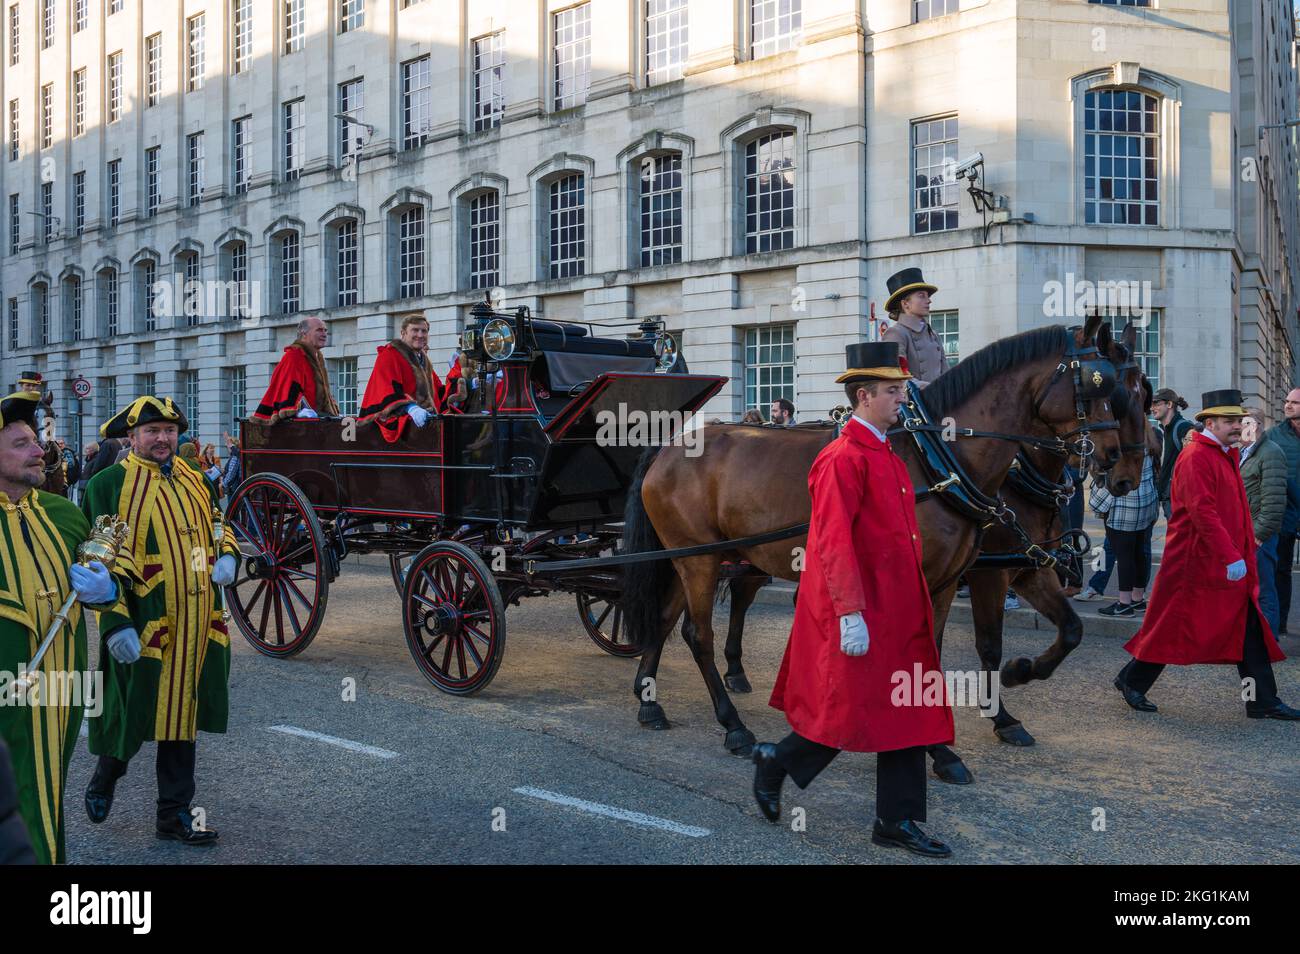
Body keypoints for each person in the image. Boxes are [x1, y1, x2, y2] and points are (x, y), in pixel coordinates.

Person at [752, 340, 955, 858]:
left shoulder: (883, 450)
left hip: (897, 607)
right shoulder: (842, 458)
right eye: (893, 391)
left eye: (902, 390)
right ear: (864, 396)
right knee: (850, 707)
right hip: (864, 608)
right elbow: (832, 542)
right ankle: (778, 761)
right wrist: (850, 613)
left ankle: (896, 820)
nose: (902, 400)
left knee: (908, 708)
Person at [81, 395, 242, 844]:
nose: (163, 438)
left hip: (195, 618)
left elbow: (217, 524)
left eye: (169, 430)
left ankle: (173, 815)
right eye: (152, 431)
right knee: (131, 708)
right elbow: (99, 559)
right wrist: (115, 623)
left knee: (182, 716)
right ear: (131, 437)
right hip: (144, 620)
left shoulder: (196, 479)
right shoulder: (109, 483)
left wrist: (227, 554)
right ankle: (105, 776)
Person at [1114, 389, 1299, 721]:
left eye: (1238, 420)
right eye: (1229, 421)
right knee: (1174, 626)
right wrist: (1232, 556)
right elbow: (1203, 514)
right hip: (1197, 563)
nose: (1237, 426)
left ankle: (1260, 701)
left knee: (1247, 629)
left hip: (1218, 560)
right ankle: (1131, 679)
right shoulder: (1198, 456)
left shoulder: (1221, 452)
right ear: (1210, 422)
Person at [0, 391, 120, 864]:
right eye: (20, 443)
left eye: (36, 441)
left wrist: (106, 592)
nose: (39, 451)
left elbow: (112, 582)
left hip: (59, 693)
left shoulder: (64, 514)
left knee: (45, 789)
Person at [1089, 452, 1159, 617]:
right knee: (1139, 553)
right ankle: (1138, 599)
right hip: (1146, 502)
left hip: (1123, 506)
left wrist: (1096, 504)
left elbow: (1111, 482)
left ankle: (1124, 604)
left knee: (1125, 557)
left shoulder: (1120, 447)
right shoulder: (1150, 439)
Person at [360, 312, 443, 441]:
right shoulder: (389, 354)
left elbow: (439, 392)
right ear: (403, 333)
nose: (420, 335)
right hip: (398, 429)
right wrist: (410, 408)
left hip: (423, 428)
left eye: (424, 331)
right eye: (415, 330)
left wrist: (467, 384)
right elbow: (387, 390)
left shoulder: (423, 360)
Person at [1239, 411, 1287, 636]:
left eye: (1243, 422)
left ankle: (1268, 641)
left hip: (1259, 536)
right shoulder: (1243, 452)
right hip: (1244, 533)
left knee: (1264, 591)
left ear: (1256, 425)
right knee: (1248, 590)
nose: (1237, 427)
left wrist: (1259, 534)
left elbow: (1275, 499)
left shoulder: (1270, 453)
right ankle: (1253, 640)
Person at [252, 316, 340, 422]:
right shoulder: (294, 355)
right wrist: (299, 411)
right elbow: (290, 388)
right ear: (304, 334)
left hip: (317, 422)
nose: (324, 334)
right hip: (303, 425)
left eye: (325, 330)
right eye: (319, 330)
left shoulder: (317, 357)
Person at [1265, 387, 1300, 635]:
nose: (1288, 405)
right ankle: (1280, 625)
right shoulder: (1274, 435)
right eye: (1287, 401)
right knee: (1280, 571)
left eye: (1294, 402)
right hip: (1285, 516)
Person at [881, 268, 948, 387]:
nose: (928, 301)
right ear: (905, 304)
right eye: (921, 296)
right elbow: (898, 377)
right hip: (913, 402)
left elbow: (946, 373)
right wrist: (930, 390)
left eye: (927, 296)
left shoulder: (933, 334)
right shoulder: (896, 333)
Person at [1151, 388, 1195, 520]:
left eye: (1156, 403)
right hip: (1169, 498)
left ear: (1169, 405)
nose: (1152, 408)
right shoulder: (1167, 429)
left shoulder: (1183, 427)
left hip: (1178, 500)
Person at [220, 432, 242, 498]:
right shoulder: (234, 455)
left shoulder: (234, 457)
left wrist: (223, 484)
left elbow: (231, 473)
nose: (227, 448)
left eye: (227, 446)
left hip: (233, 487)